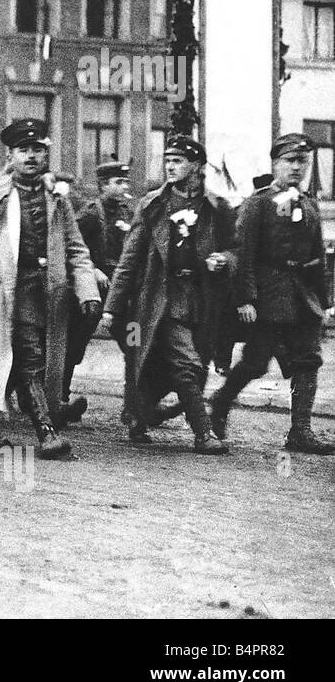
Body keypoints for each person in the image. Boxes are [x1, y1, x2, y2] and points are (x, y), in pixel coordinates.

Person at [0, 119, 99, 457]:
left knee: (32, 360)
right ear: (10, 155)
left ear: (45, 154)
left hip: (50, 293)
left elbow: (76, 249)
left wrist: (87, 291)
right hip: (9, 292)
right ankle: (46, 433)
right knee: (30, 358)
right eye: (23, 150)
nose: (30, 156)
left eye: (37, 150)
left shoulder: (58, 200)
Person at [102, 135, 233, 454]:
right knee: (182, 362)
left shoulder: (217, 207)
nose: (170, 166)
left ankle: (140, 414)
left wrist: (226, 259)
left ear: (197, 166)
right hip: (158, 298)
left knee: (190, 363)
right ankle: (203, 434)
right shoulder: (152, 205)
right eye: (168, 161)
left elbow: (236, 247)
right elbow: (129, 260)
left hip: (202, 299)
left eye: (178, 161)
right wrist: (112, 308)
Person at [208, 133, 335, 454]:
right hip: (267, 296)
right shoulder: (259, 203)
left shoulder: (309, 204)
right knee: (256, 362)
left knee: (308, 361)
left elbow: (318, 255)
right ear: (276, 163)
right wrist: (245, 299)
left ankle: (300, 431)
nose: (296, 168)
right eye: (290, 161)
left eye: (302, 162)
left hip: (303, 295)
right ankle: (220, 402)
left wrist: (326, 301)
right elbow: (244, 253)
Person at [63, 160, 135, 423]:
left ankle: (133, 407)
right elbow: (69, 246)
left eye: (126, 181)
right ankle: (60, 399)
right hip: (93, 295)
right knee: (74, 343)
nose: (124, 186)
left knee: (133, 344)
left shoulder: (129, 212)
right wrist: (91, 268)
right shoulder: (91, 213)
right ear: (104, 185)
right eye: (118, 182)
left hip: (122, 297)